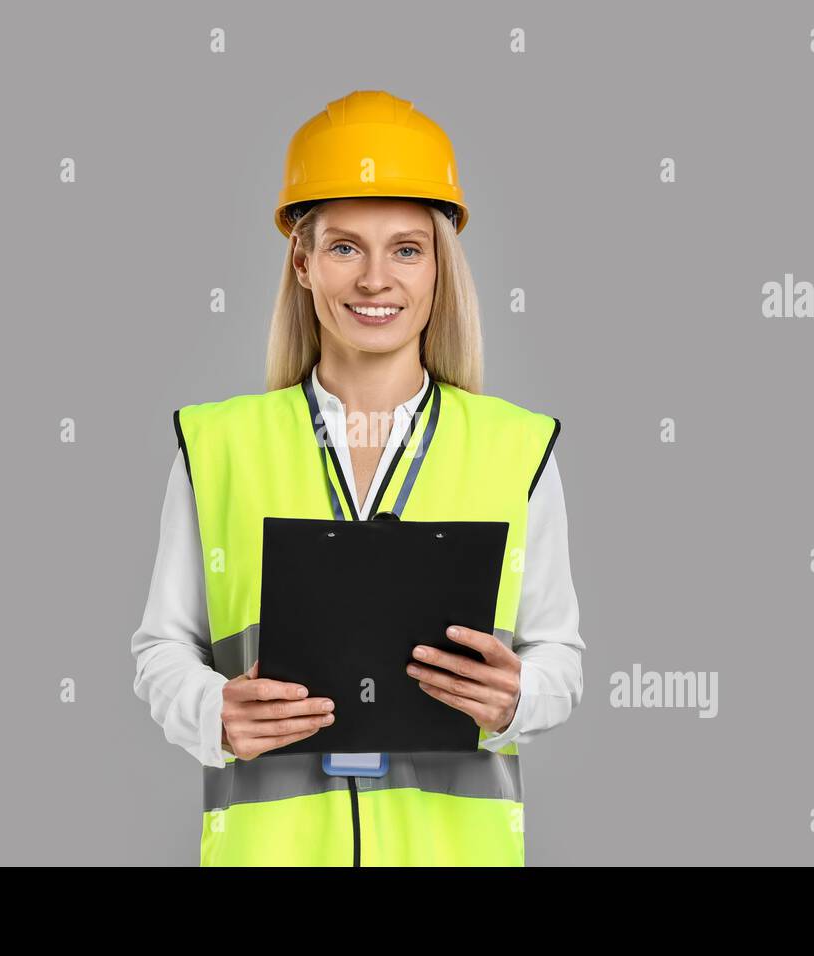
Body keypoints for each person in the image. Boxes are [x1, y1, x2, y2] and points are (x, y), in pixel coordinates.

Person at [131, 90, 585, 866]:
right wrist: (213, 712)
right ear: (303, 263)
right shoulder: (218, 446)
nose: (376, 279)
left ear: (439, 269)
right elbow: (164, 645)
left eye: (406, 250)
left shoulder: (518, 449)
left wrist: (518, 699)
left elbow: (560, 657)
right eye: (345, 248)